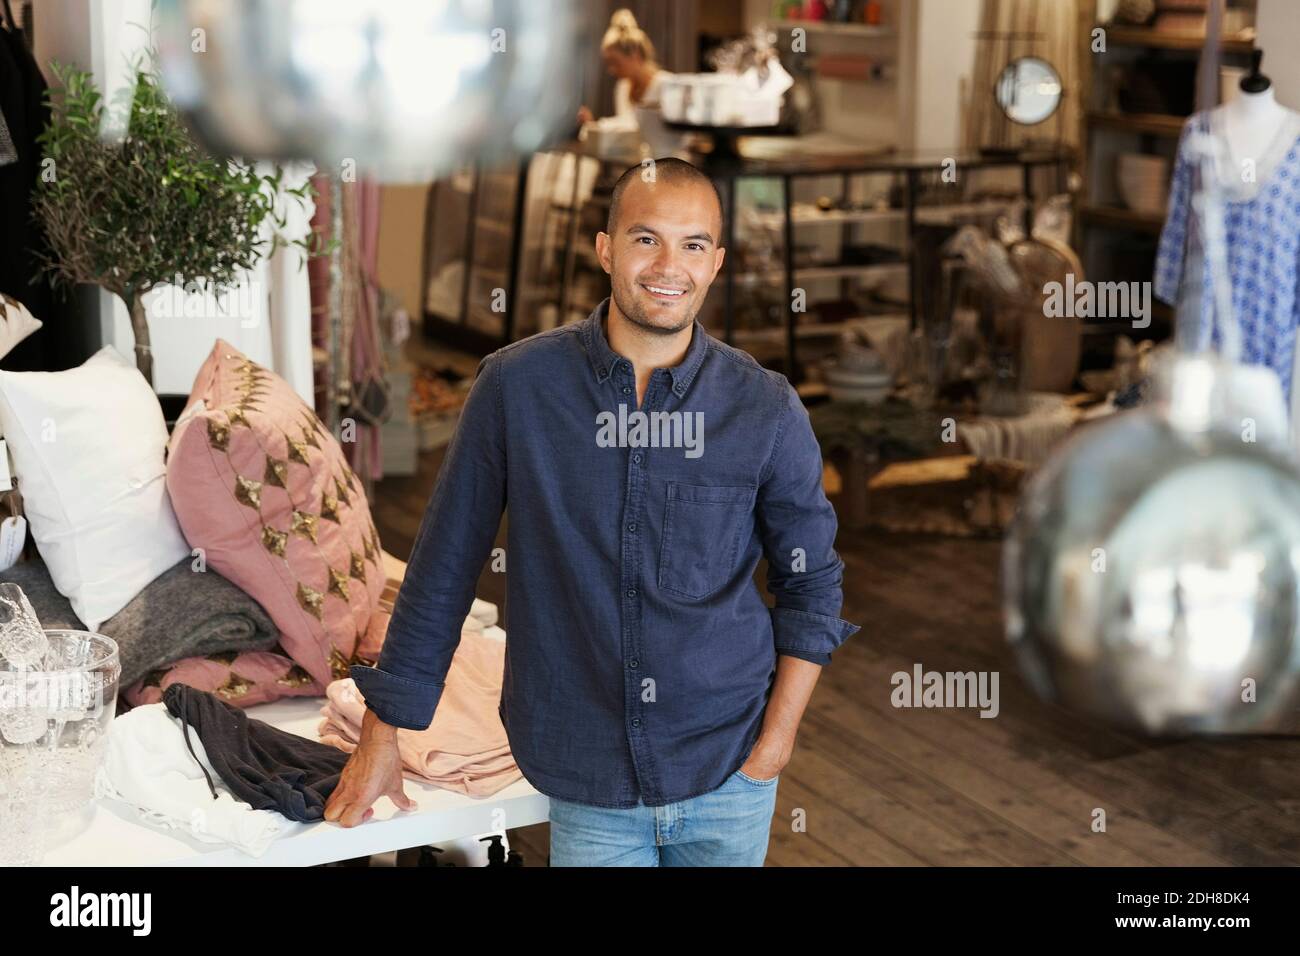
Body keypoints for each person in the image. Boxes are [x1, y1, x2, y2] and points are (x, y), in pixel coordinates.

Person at [324, 157, 860, 867]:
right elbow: (442, 571)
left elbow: (811, 585)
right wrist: (380, 736)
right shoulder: (516, 389)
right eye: (646, 239)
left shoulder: (765, 408)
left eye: (694, 245)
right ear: (605, 249)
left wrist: (775, 744)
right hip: (587, 776)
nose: (670, 265)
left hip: (729, 766)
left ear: (717, 262)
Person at [576, 9, 688, 159]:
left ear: (634, 54)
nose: (611, 70)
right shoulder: (622, 87)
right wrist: (594, 126)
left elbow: (683, 138)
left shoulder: (667, 85)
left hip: (667, 164)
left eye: (615, 63)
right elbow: (626, 127)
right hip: (633, 165)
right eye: (608, 64)